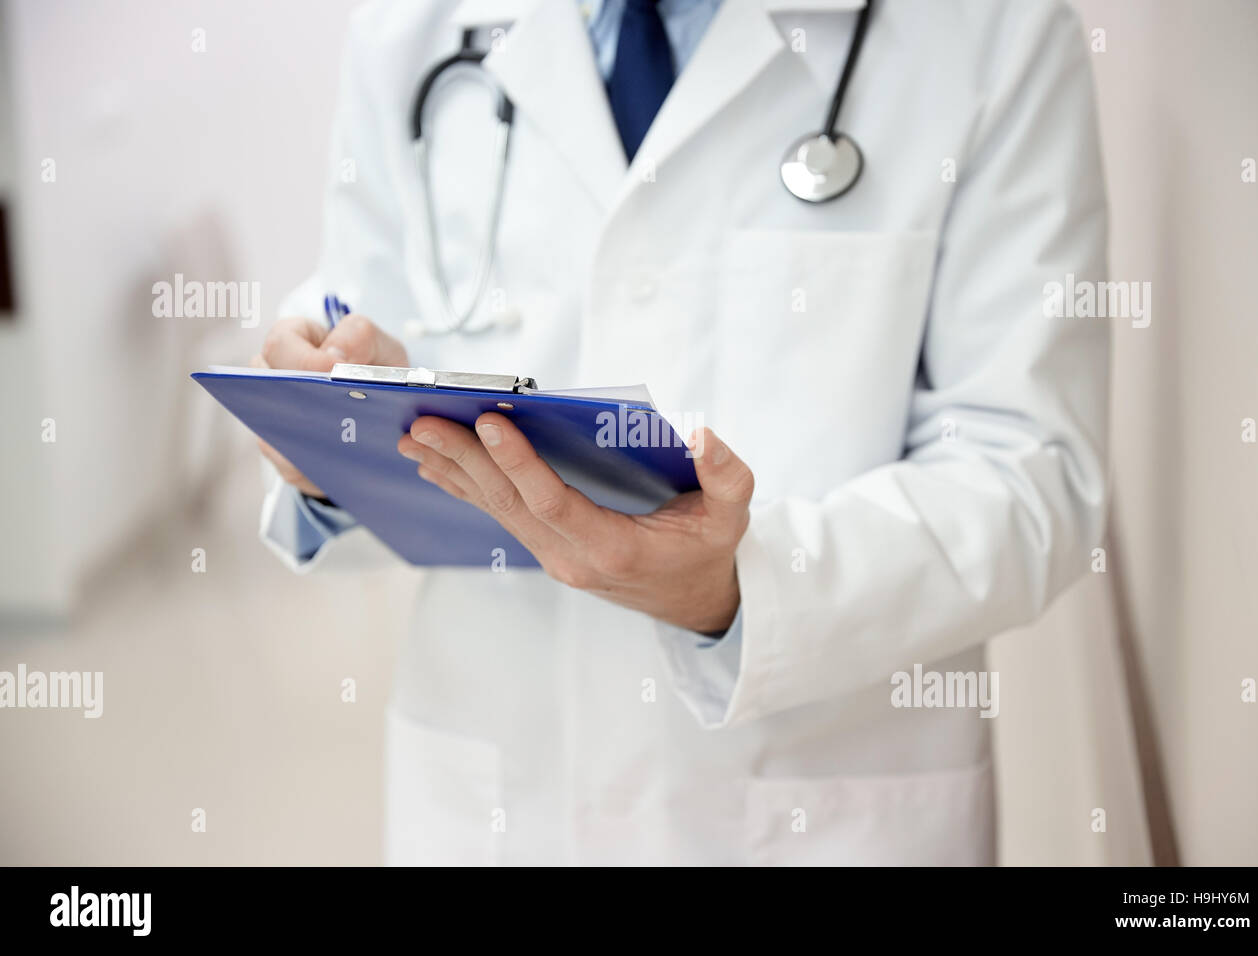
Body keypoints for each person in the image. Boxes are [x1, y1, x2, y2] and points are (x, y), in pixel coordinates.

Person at [255, 0, 1109, 865]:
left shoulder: (991, 28)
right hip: (497, 805)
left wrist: (745, 591)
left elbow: (1031, 474)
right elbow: (360, 324)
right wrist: (333, 436)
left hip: (820, 813)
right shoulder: (410, 27)